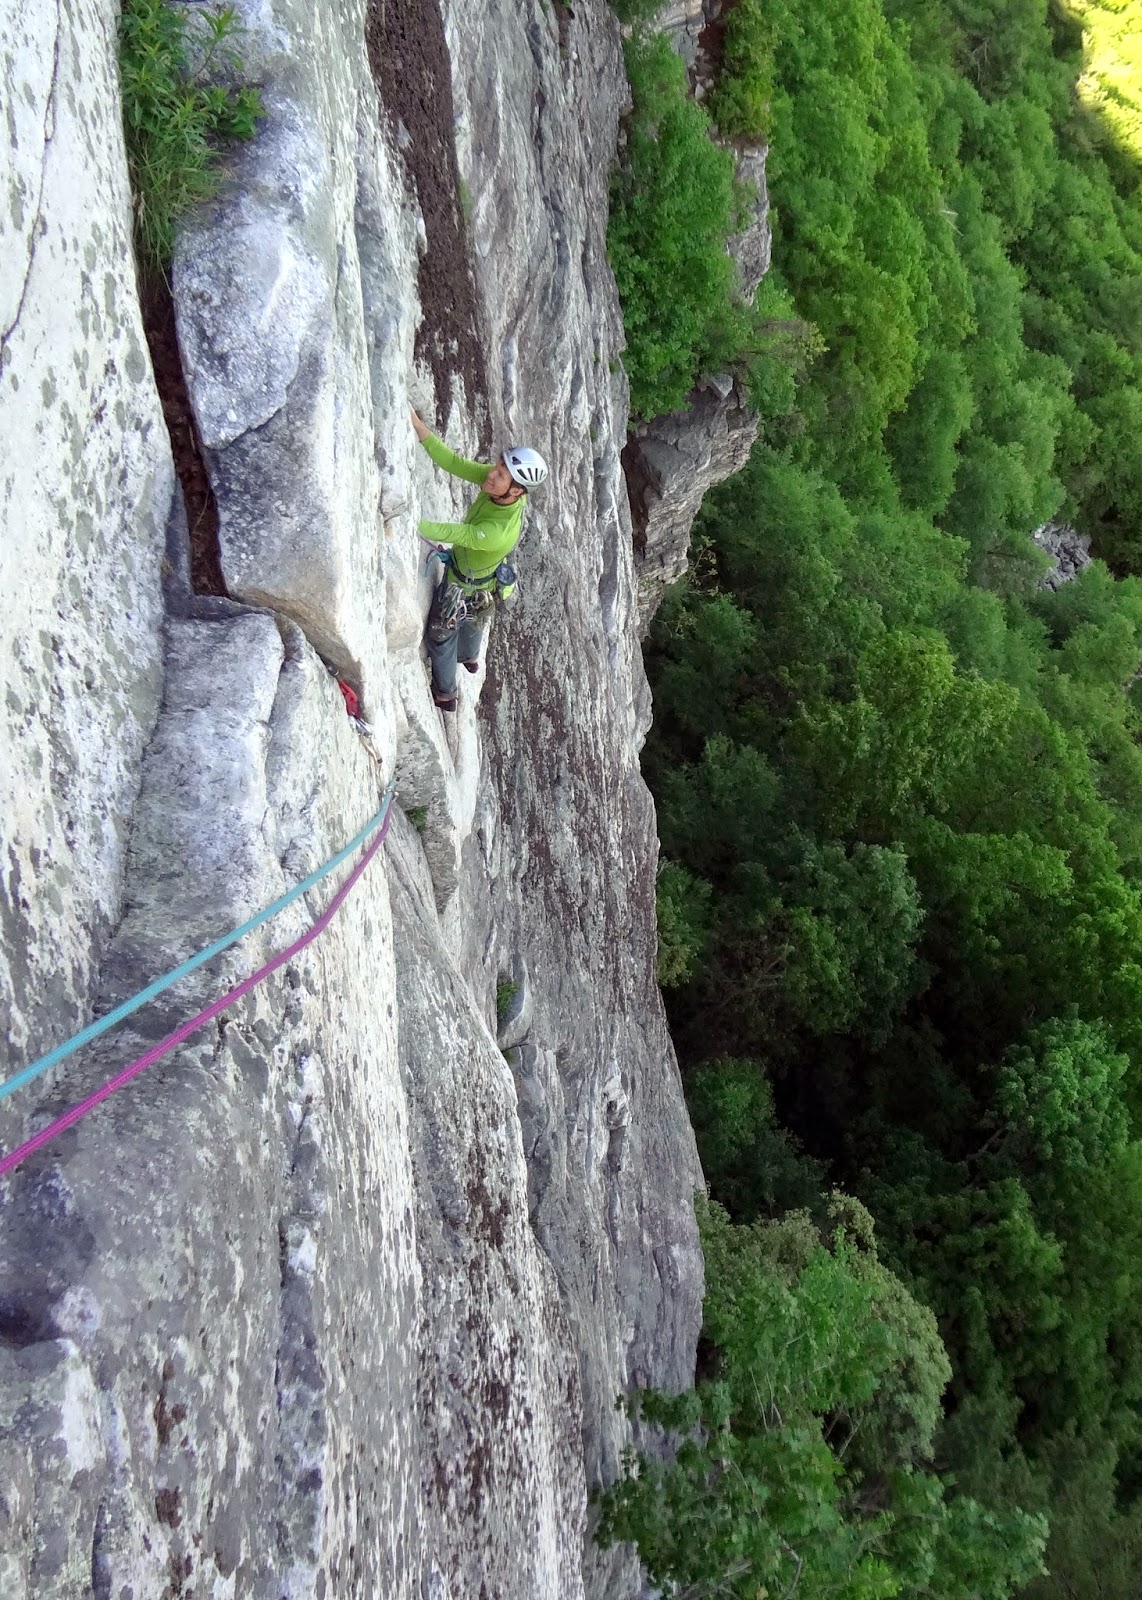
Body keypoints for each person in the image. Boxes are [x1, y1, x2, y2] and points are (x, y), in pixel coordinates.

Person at [411, 405, 548, 711]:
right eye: (498, 468)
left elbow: (456, 533)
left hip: (465, 582)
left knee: (440, 634)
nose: (492, 475)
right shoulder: (501, 489)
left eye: (500, 475)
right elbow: (455, 463)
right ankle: (470, 657)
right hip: (486, 579)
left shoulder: (498, 530)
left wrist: (409, 519)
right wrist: (419, 428)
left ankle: (446, 694)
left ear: (517, 492)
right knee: (474, 621)